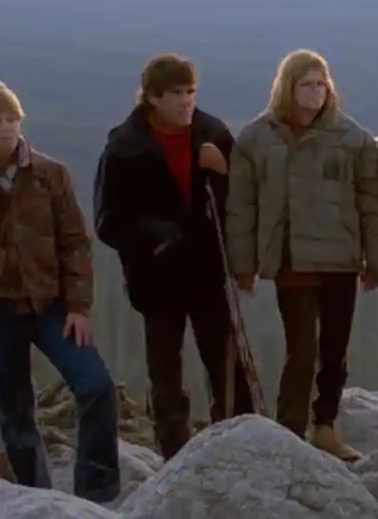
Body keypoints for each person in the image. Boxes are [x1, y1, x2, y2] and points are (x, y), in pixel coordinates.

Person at [0, 81, 121, 502]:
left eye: (12, 119)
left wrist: (79, 305)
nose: (5, 128)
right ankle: (37, 499)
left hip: (51, 305)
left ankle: (97, 493)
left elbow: (75, 240)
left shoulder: (49, 175)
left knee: (96, 386)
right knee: (15, 415)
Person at [225, 49, 378, 461]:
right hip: (292, 258)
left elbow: (370, 201)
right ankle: (289, 432)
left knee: (334, 349)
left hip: (340, 257)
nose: (316, 92)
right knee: (301, 351)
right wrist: (242, 265)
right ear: (288, 87)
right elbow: (241, 205)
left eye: (322, 83)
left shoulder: (351, 138)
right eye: (306, 84)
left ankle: (325, 427)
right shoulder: (257, 138)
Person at [92, 53, 253, 459]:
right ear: (152, 98)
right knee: (166, 372)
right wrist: (158, 236)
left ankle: (239, 445)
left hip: (206, 271)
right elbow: (108, 221)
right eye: (177, 93)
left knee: (226, 365)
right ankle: (175, 455)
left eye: (192, 92)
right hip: (157, 276)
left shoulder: (213, 134)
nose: (187, 101)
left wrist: (222, 172)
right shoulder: (125, 147)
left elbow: (243, 203)